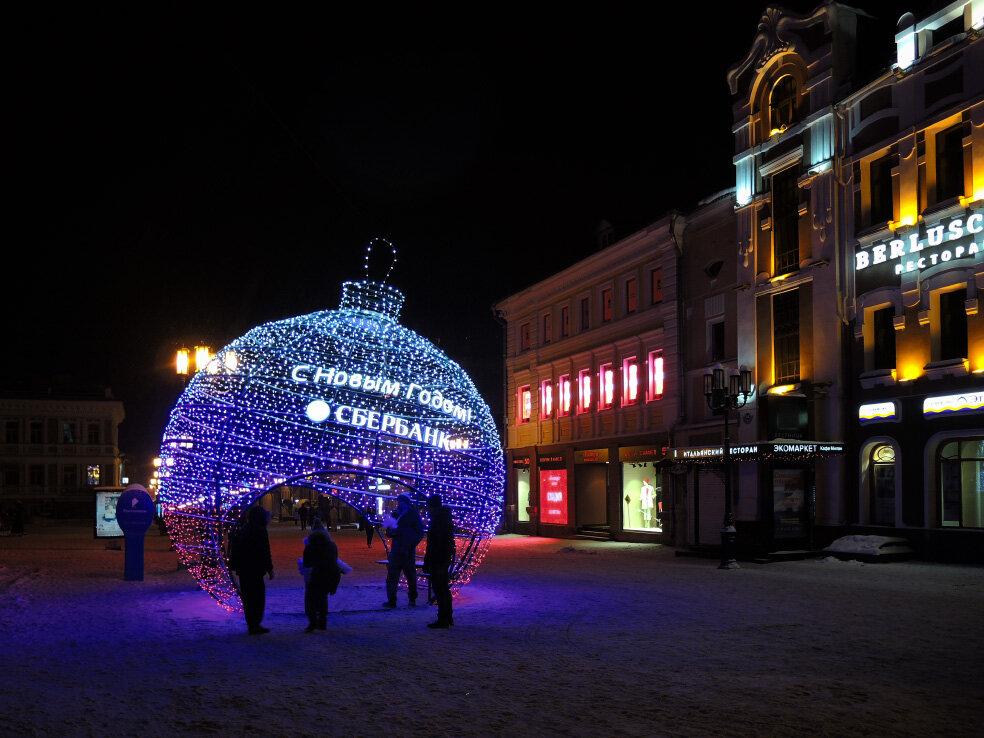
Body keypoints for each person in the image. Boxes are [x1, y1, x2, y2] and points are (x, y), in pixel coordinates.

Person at [228, 506, 274, 635]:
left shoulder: (244, 529)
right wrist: (269, 569)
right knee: (258, 597)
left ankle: (252, 624)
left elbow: (235, 548)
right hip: (255, 569)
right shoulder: (260, 531)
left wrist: (234, 565)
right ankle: (255, 624)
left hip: (244, 569)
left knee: (248, 597)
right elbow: (265, 551)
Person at [383, 493, 424, 608]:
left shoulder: (413, 515)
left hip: (407, 551)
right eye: (398, 501)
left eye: (402, 501)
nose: (399, 503)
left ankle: (412, 599)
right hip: (396, 551)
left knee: (410, 577)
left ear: (407, 503)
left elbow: (420, 532)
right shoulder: (396, 514)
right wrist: (391, 532)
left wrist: (410, 543)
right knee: (392, 577)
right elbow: (389, 531)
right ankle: (391, 600)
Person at [299, 518, 340, 632]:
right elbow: (334, 560)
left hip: (315, 576)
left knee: (310, 600)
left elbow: (306, 562)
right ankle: (322, 621)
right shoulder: (331, 545)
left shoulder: (310, 546)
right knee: (322, 598)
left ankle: (312, 622)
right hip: (328, 575)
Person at [423, 494, 455, 629]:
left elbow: (434, 543)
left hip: (438, 558)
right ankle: (448, 617)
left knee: (440, 588)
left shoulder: (438, 520)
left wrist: (428, 561)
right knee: (443, 588)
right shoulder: (444, 518)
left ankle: (443, 619)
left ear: (432, 506)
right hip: (444, 556)